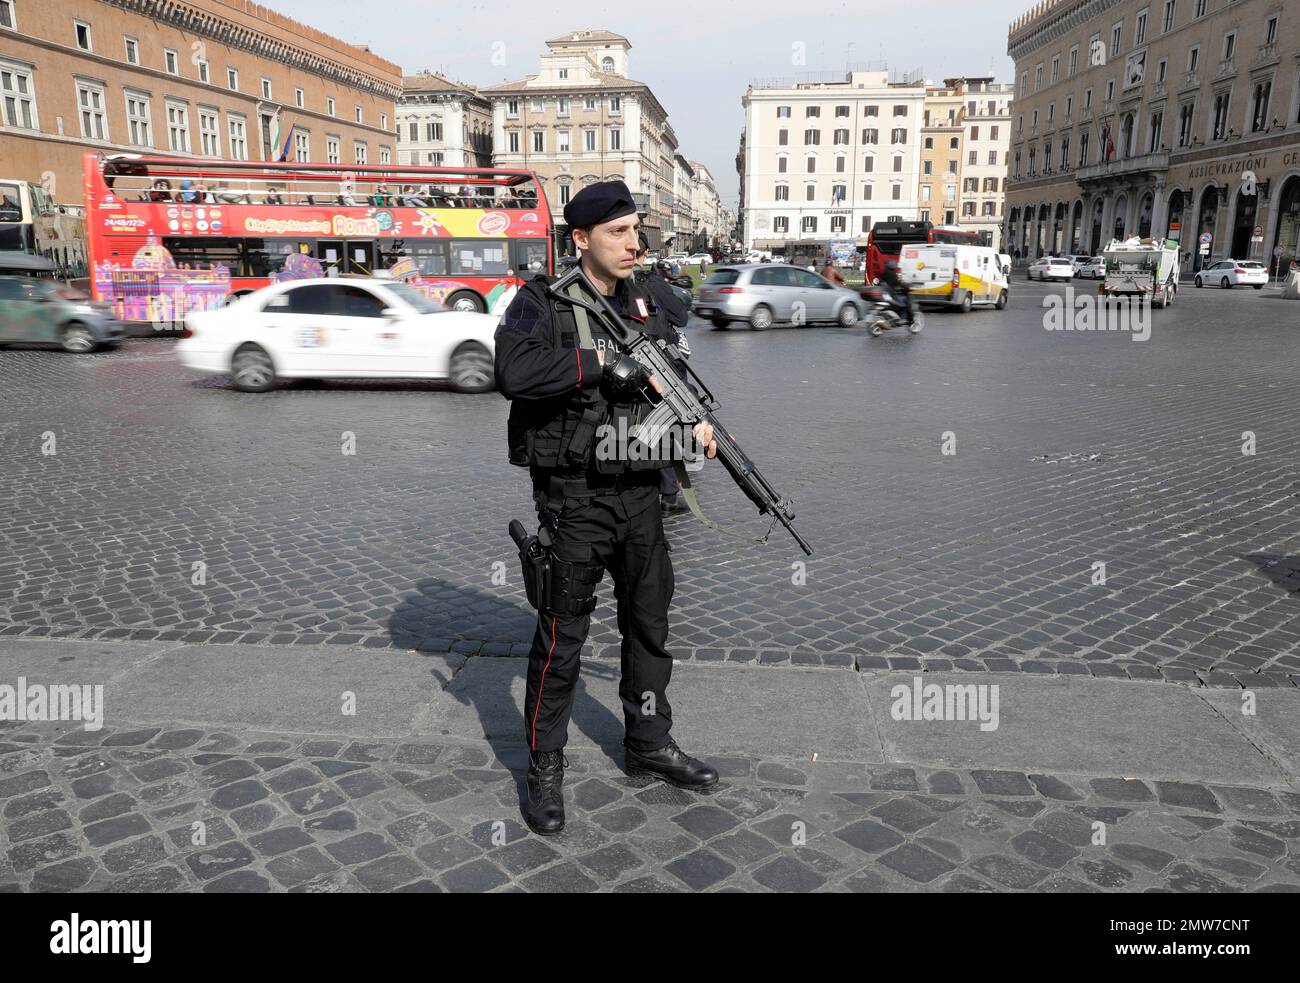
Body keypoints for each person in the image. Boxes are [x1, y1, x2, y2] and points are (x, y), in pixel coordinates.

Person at [494, 179, 720, 836]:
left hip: (643, 496)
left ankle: (648, 741)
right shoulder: (544, 302)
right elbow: (512, 370)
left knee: (650, 625)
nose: (634, 242)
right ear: (582, 238)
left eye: (637, 229)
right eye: (619, 231)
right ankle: (544, 764)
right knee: (562, 638)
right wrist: (598, 364)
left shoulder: (650, 302)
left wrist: (695, 426)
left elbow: (673, 378)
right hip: (575, 500)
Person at [633, 232, 693, 514]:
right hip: (658, 366)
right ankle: (669, 491)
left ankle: (664, 487)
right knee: (662, 426)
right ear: (644, 254)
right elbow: (681, 317)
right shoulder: (649, 283)